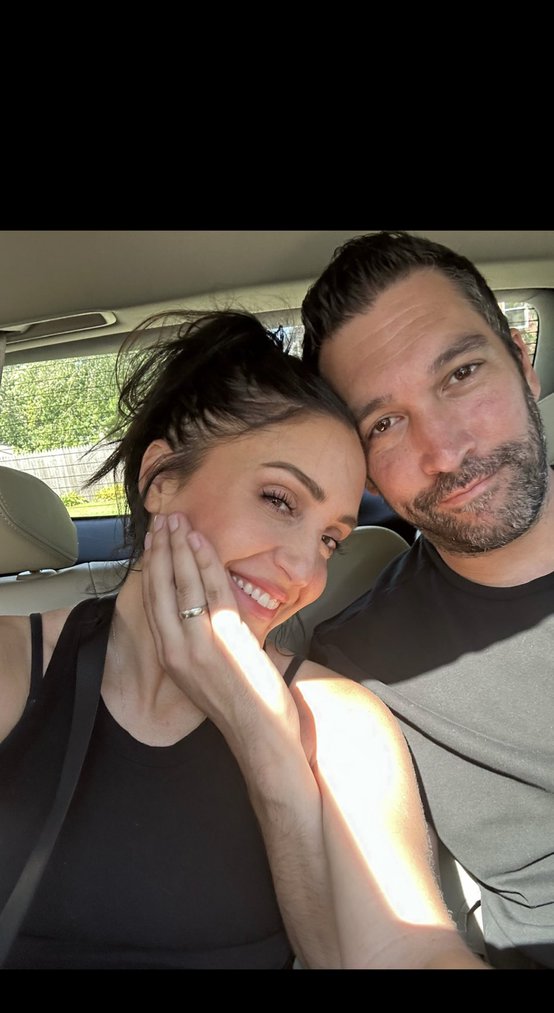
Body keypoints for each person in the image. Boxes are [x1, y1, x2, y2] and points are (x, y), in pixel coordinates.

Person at [0, 307, 485, 970]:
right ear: (162, 481)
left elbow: (406, 952)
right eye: (279, 500)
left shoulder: (341, 723)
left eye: (331, 540)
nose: (304, 571)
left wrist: (267, 747)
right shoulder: (15, 664)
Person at [301, 229, 554, 970]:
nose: (445, 452)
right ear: (363, 468)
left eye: (461, 373)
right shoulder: (354, 672)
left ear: (523, 362)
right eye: (384, 423)